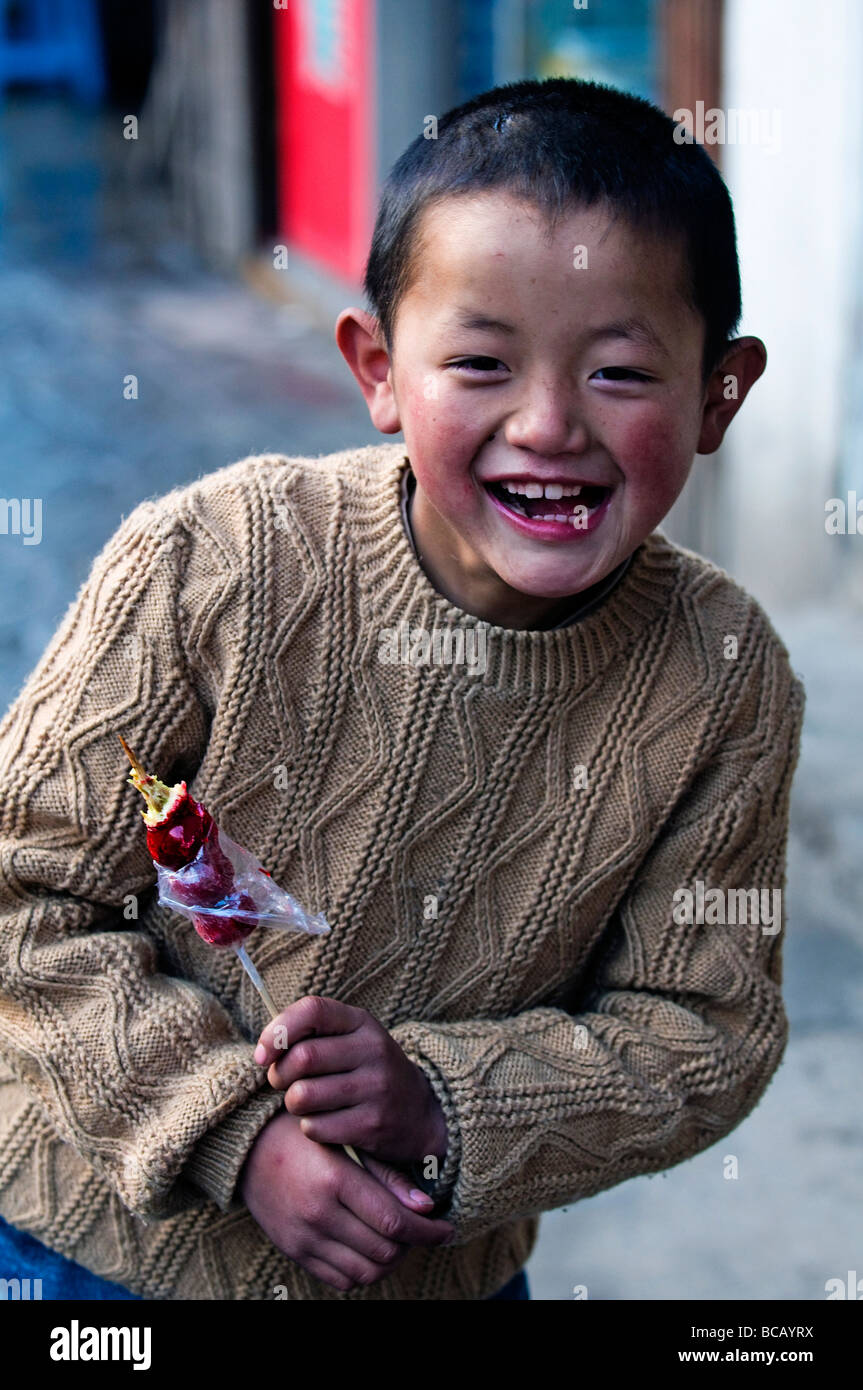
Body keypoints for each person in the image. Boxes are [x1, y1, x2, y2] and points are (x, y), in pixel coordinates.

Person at [0, 77, 804, 1302]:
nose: (546, 425)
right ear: (378, 370)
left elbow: (703, 1028)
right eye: (478, 361)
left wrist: (436, 1103)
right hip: (91, 1254)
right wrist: (235, 1135)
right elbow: (20, 896)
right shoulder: (218, 561)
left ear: (718, 396)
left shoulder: (723, 679)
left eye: (619, 375)